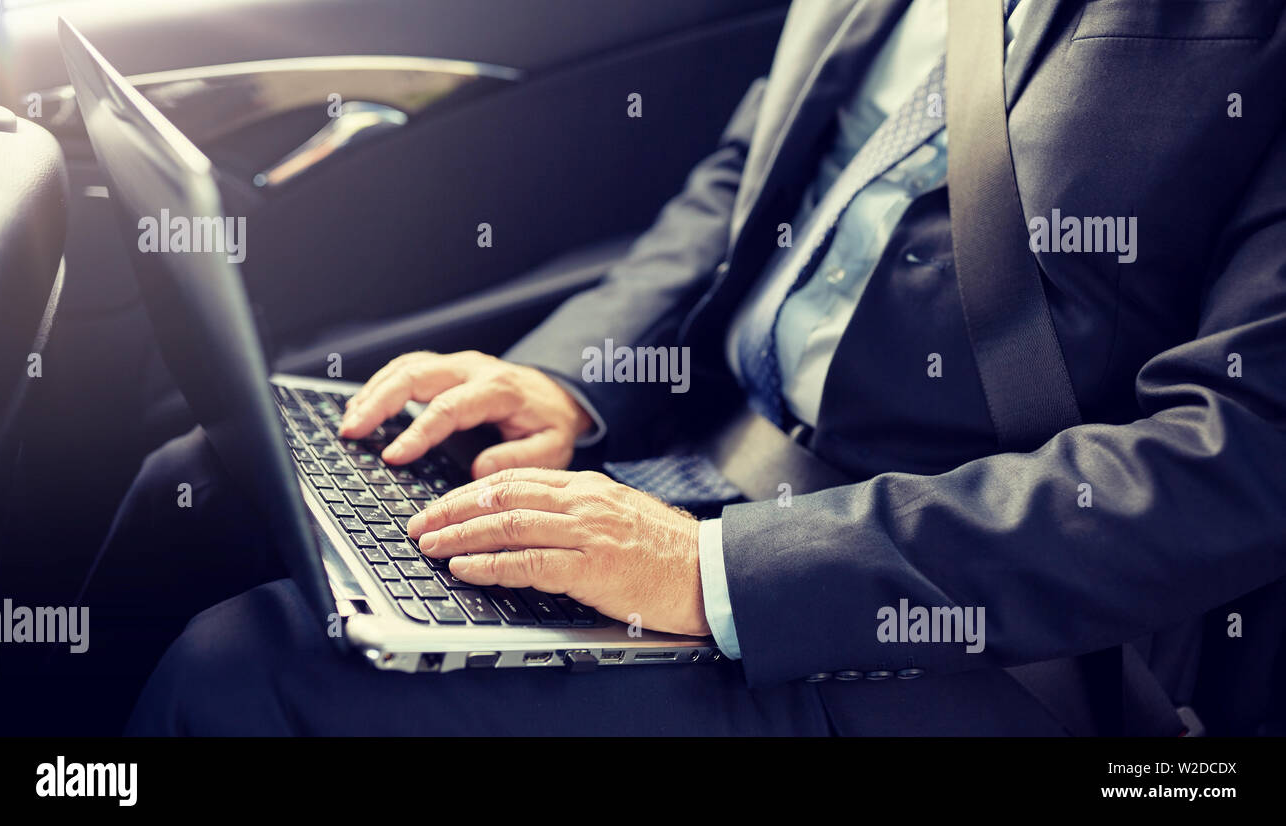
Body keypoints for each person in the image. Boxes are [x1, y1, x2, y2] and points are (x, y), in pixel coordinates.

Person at [98, 0, 1286, 735]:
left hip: (984, 629)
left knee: (244, 679)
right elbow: (739, 190)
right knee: (194, 493)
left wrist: (714, 567)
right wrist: (570, 383)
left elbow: (1243, 458)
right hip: (715, 468)